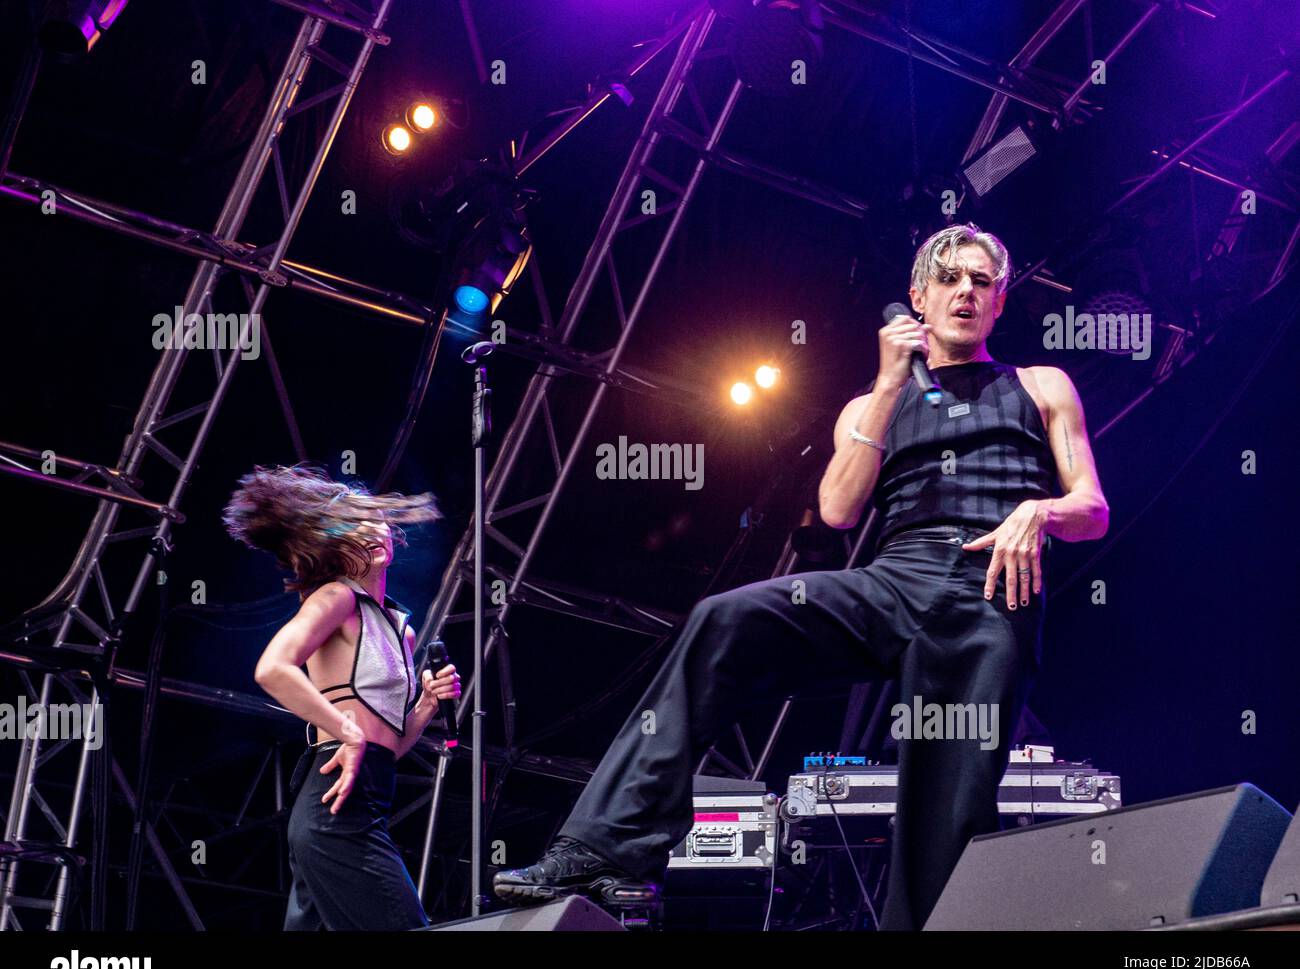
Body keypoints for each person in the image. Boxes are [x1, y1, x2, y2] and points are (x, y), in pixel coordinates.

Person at [492, 223, 1109, 929]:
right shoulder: (868, 405)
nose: (964, 292)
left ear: (1000, 302)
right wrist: (885, 384)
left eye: (981, 282)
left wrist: (1040, 510)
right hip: (897, 578)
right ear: (918, 298)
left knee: (947, 810)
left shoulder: (1039, 386)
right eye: (948, 278)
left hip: (990, 594)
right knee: (724, 620)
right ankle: (604, 849)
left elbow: (1091, 508)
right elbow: (838, 509)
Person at [223, 465, 461, 931]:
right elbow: (272, 669)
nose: (371, 532)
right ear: (332, 545)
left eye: (375, 521)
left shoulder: (401, 630)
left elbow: (386, 747)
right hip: (335, 811)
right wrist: (346, 730)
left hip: (364, 800)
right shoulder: (336, 597)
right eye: (353, 526)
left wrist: (425, 708)